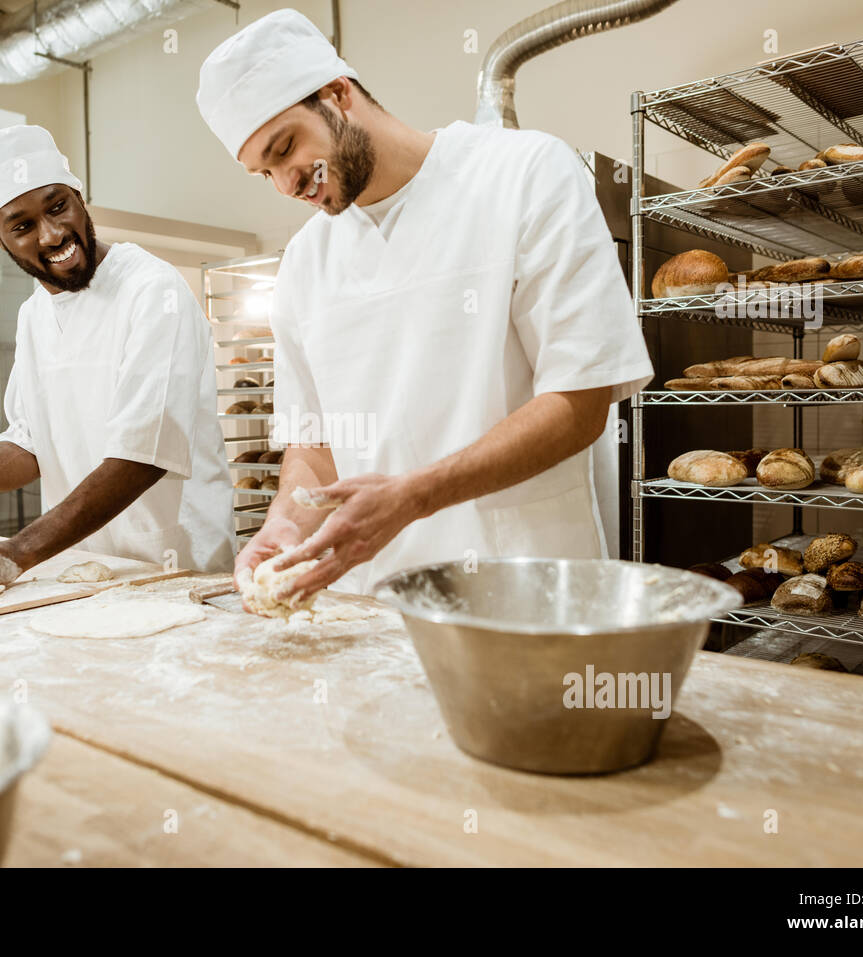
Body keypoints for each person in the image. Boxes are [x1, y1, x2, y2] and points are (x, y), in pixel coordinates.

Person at [195, 9, 653, 603]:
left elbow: (581, 399)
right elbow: (314, 446)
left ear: (338, 94)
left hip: (524, 586)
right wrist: (287, 520)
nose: (287, 184)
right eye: (265, 173)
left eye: (286, 149)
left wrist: (413, 497)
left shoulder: (524, 173)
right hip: (371, 604)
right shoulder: (306, 262)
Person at [0, 125, 234, 604]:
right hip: (80, 567)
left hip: (175, 568)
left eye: (57, 207)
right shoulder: (34, 314)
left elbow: (144, 454)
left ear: (79, 197)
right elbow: (30, 444)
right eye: (23, 225)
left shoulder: (153, 290)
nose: (52, 234)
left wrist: (19, 550)